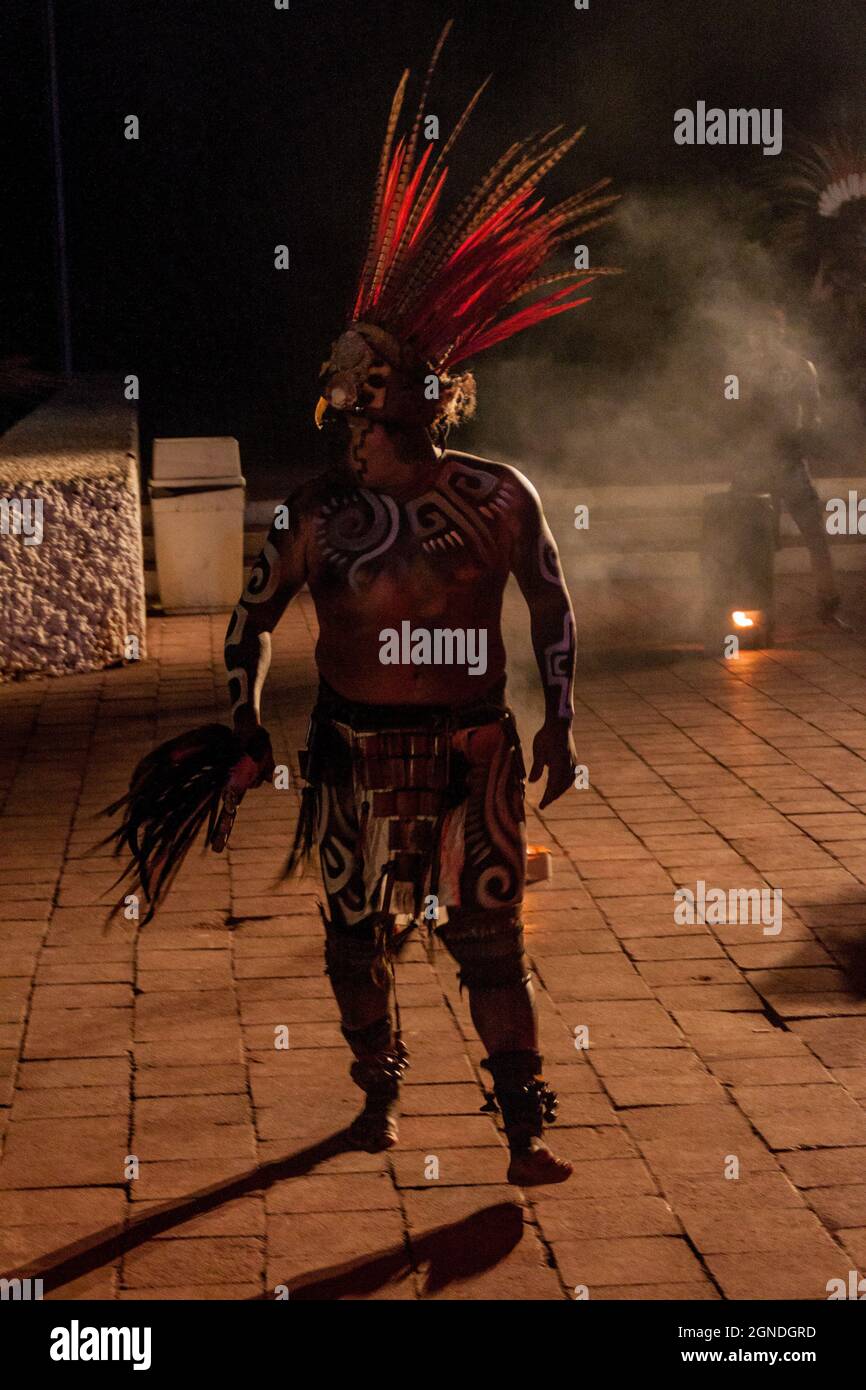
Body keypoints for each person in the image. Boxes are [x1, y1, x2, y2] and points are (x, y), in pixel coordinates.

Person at [221, 23, 617, 1186]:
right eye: (350, 374)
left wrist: (564, 717)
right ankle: (377, 1090)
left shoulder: (496, 493)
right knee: (357, 940)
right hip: (349, 754)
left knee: (489, 939)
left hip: (474, 752)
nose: (348, 388)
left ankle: (523, 1124)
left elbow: (549, 600)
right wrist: (243, 719)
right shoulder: (316, 515)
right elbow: (249, 622)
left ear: (416, 387)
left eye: (370, 371)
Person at [734, 306, 841, 624]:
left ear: (779, 334)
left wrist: (798, 439)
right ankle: (741, 604)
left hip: (788, 462)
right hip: (754, 463)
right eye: (756, 336)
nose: (760, 341)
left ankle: (828, 604)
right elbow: (730, 412)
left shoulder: (798, 368)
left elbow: (812, 415)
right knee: (742, 533)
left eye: (767, 334)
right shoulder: (744, 369)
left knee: (815, 535)